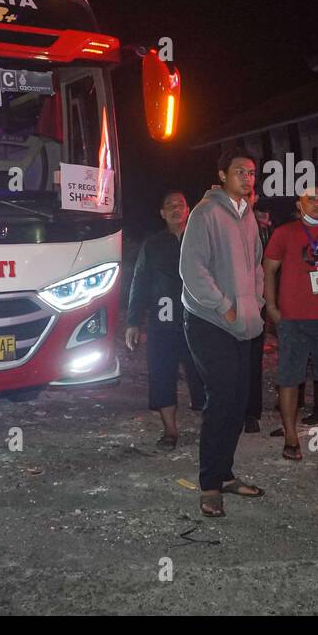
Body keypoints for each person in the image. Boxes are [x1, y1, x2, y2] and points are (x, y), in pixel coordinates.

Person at [180, 148, 267, 517]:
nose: (247, 179)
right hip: (209, 321)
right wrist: (224, 305)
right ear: (222, 175)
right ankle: (209, 485)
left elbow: (258, 264)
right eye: (239, 172)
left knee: (238, 400)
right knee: (221, 400)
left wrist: (257, 301)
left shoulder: (248, 217)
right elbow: (192, 268)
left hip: (243, 323)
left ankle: (226, 473)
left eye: (251, 173)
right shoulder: (205, 213)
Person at [263, 186, 318, 460]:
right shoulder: (284, 233)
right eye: (311, 199)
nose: (317, 204)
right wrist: (272, 307)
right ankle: (291, 437)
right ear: (299, 204)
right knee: (290, 380)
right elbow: (268, 269)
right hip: (293, 320)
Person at [125, 190, 205, 448]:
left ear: (188, 209)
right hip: (163, 323)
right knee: (162, 375)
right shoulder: (153, 244)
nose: (175, 209)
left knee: (203, 374)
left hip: (199, 320)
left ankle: (211, 426)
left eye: (179, 204)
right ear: (162, 213)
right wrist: (133, 322)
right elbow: (139, 282)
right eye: (169, 205)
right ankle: (170, 431)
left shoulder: (200, 240)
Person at [245, 187, 272, 434]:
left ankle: (251, 413)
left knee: (253, 359)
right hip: (228, 302)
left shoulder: (264, 230)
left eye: (250, 194)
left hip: (256, 302)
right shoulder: (219, 223)